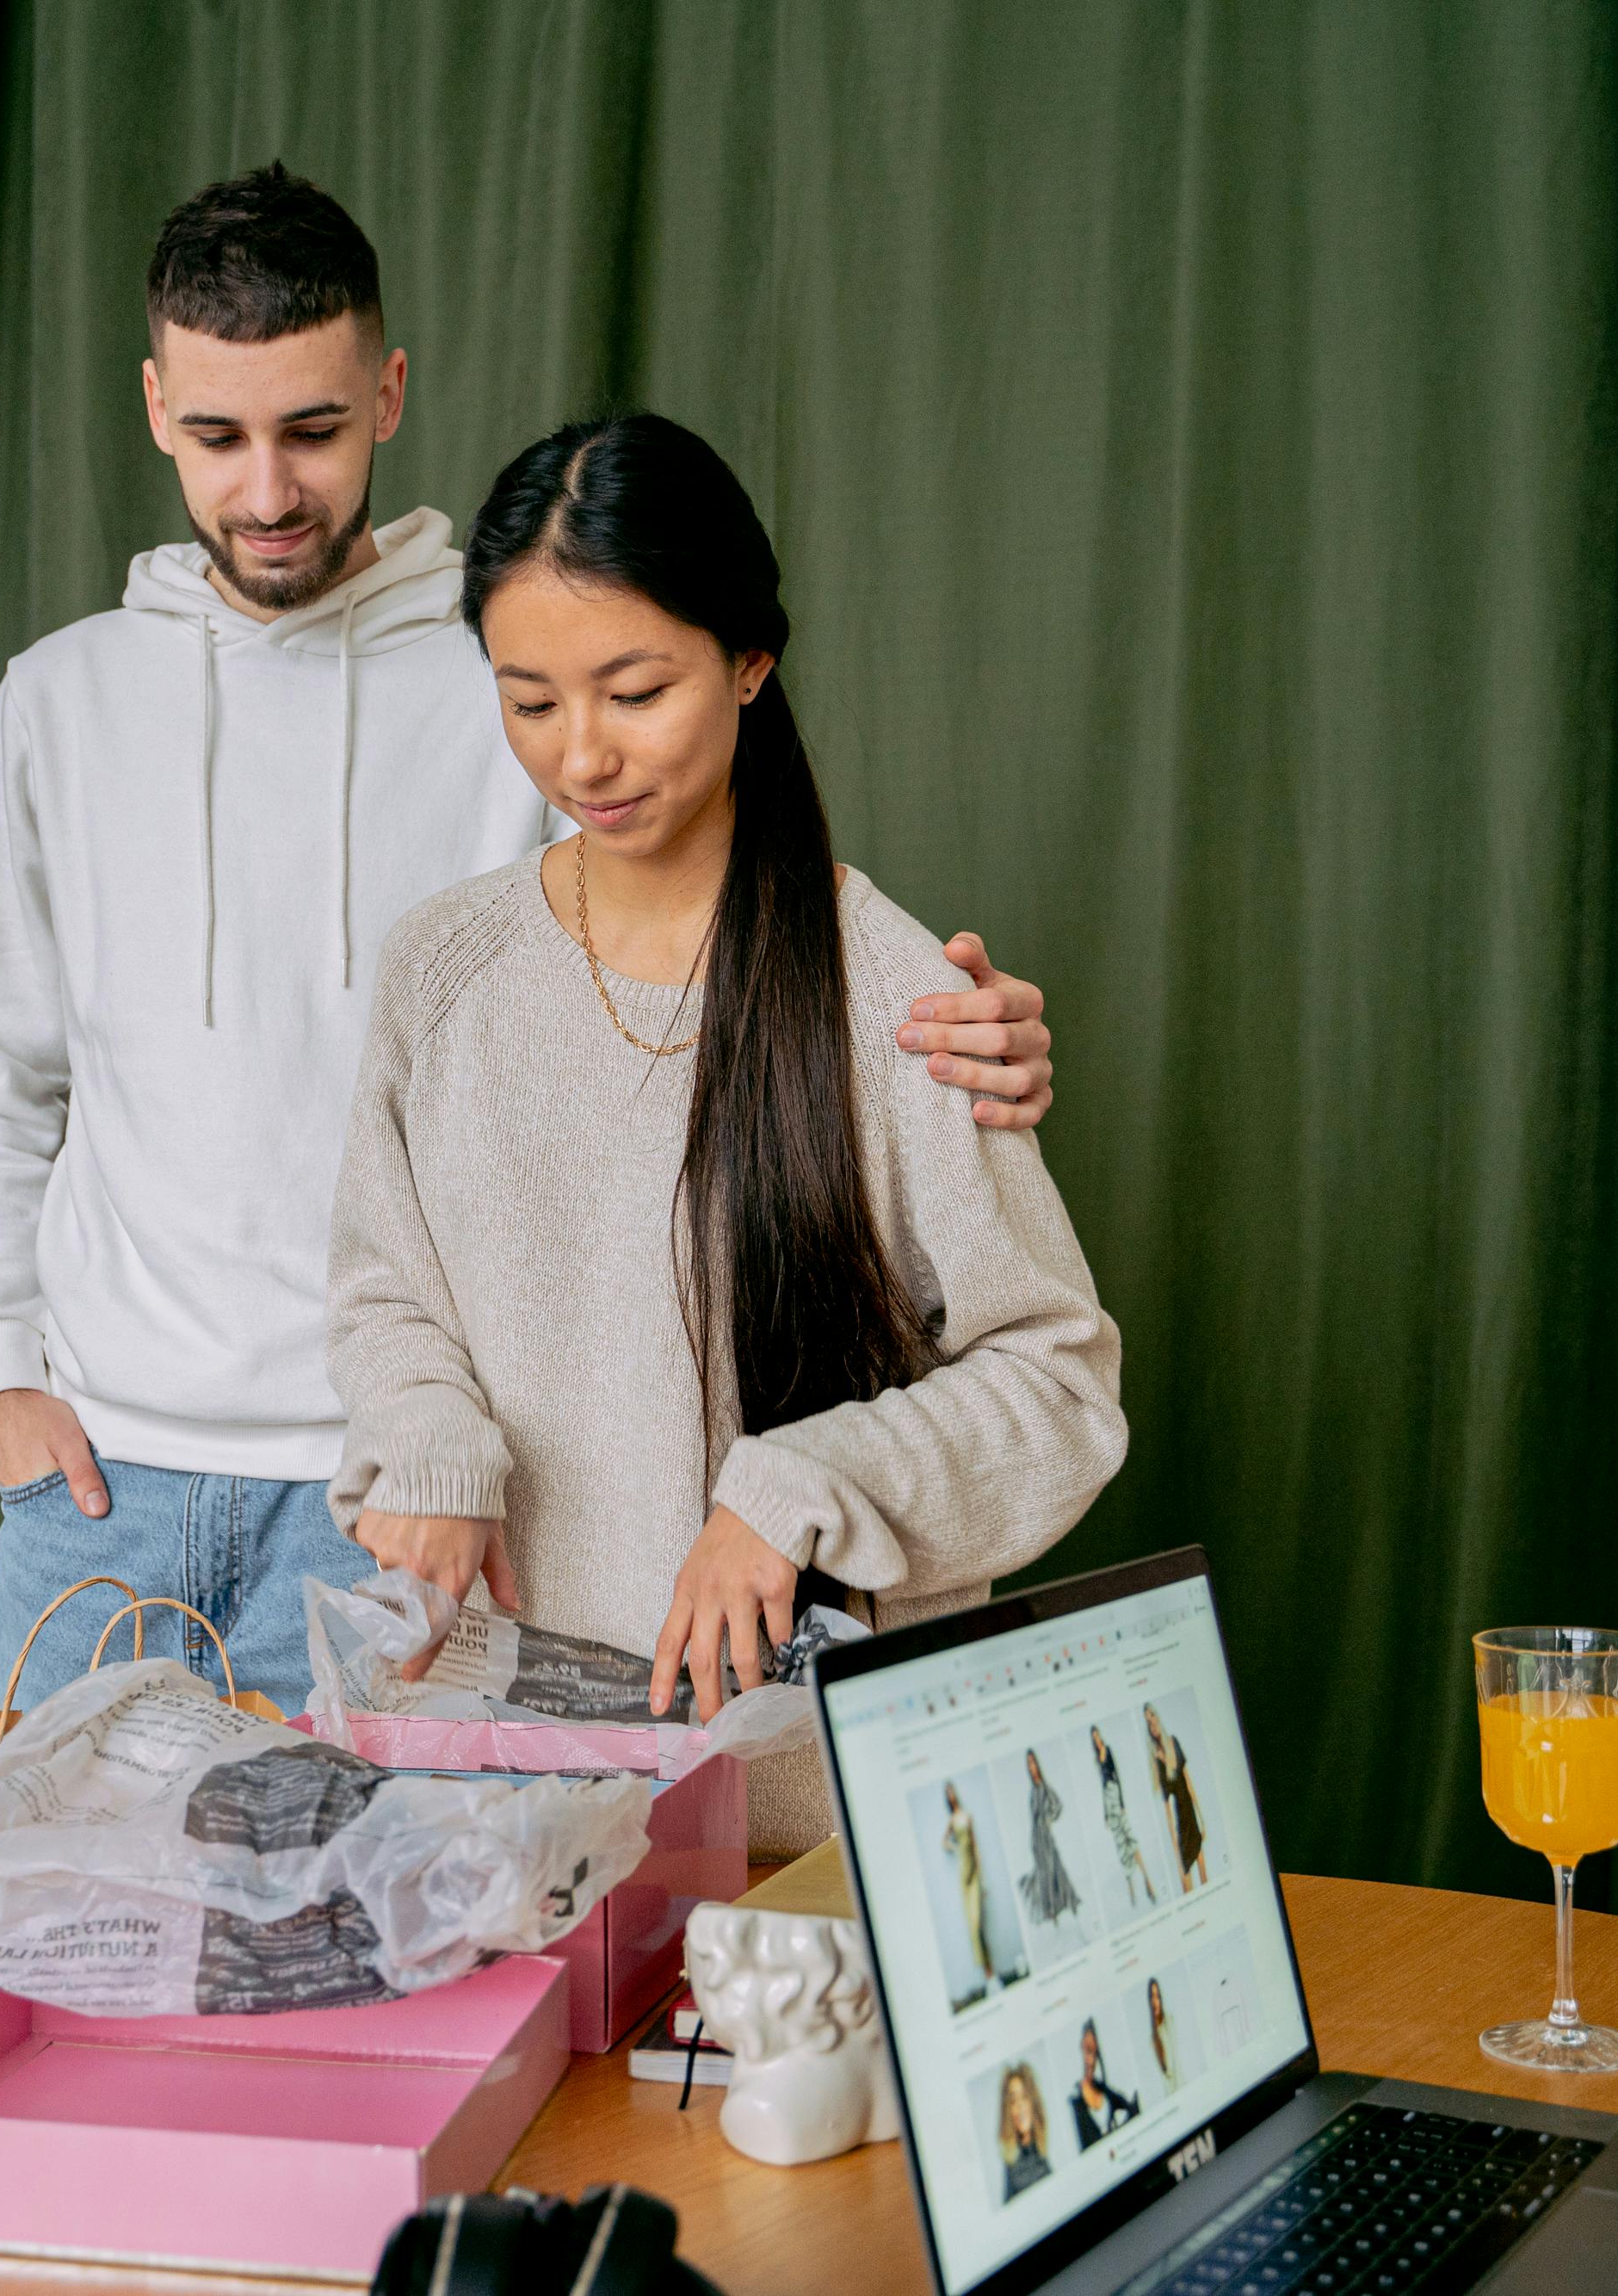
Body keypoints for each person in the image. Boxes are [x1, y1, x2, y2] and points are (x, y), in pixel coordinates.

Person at [0, 166, 1061, 1713]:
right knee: (59, 1938)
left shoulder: (513, 665)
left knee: (377, 1947)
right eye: (217, 435)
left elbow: (687, 978)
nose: (267, 489)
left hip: (405, 1516)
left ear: (388, 394)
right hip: (108, 1490)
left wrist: (949, 1046)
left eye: (313, 430)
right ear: (151, 407)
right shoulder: (58, 704)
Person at [320, 412, 1128, 1842]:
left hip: (807, 1816)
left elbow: (1060, 1392)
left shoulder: (894, 995)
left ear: (750, 661)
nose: (582, 755)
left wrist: (802, 1484)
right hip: (500, 1799)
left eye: (635, 689)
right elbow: (387, 1286)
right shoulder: (441, 969)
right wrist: (432, 1444)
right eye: (530, 699)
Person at [1092, 1723, 1164, 1908]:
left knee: (1130, 1839)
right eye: (1094, 1737)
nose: (1096, 1739)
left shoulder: (1108, 1750)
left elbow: (1117, 1776)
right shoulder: (1096, 1759)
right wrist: (1104, 1815)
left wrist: (1122, 1803)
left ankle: (1148, 1881)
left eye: (1097, 1735)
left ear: (1100, 1735)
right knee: (1120, 1846)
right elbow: (1101, 1786)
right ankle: (1131, 1888)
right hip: (1108, 1801)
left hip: (1116, 1795)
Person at [1016, 1748, 1084, 1929]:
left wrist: (1049, 1819)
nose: (1032, 1767)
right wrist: (1034, 1839)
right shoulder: (1033, 1790)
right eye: (1028, 1764)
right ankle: (1053, 1914)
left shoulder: (1044, 1786)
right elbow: (1033, 1819)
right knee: (1045, 1875)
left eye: (1033, 1762)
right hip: (1037, 1840)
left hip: (1046, 1837)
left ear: (1037, 1763)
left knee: (1056, 1869)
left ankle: (1068, 1902)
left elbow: (1058, 1805)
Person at [1148, 1705, 1210, 1890]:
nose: (1153, 1725)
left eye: (1153, 1719)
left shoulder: (1173, 1742)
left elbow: (1189, 1784)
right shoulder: (1157, 1760)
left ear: (1158, 1719)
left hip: (1191, 1815)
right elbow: (1167, 1809)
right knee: (1187, 1886)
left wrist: (1201, 1819)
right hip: (1179, 1820)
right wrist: (1175, 1852)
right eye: (1149, 1724)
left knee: (1205, 1879)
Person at [942, 1781, 994, 2001]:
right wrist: (955, 1848)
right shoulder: (952, 1821)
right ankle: (988, 1975)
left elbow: (976, 1846)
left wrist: (981, 1879)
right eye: (948, 1794)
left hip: (974, 1871)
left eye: (952, 1791)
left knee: (980, 1923)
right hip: (963, 1872)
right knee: (973, 1926)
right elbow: (945, 1843)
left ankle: (992, 1974)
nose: (951, 1795)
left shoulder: (966, 1816)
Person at [1068, 2020, 1138, 2147]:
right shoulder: (1074, 2099)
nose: (1090, 2059)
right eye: (1087, 2049)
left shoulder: (1103, 2089)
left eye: (1094, 2052)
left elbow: (1131, 2107)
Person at [997, 2064, 1053, 2201]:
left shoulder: (1041, 2151)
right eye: (1013, 2101)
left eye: (1024, 2097)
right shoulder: (1012, 2164)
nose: (1020, 2106)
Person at [1146, 1975, 1180, 2089]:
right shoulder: (1152, 2039)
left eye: (1157, 1996)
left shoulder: (1170, 2022)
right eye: (1152, 1997)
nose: (1155, 2001)